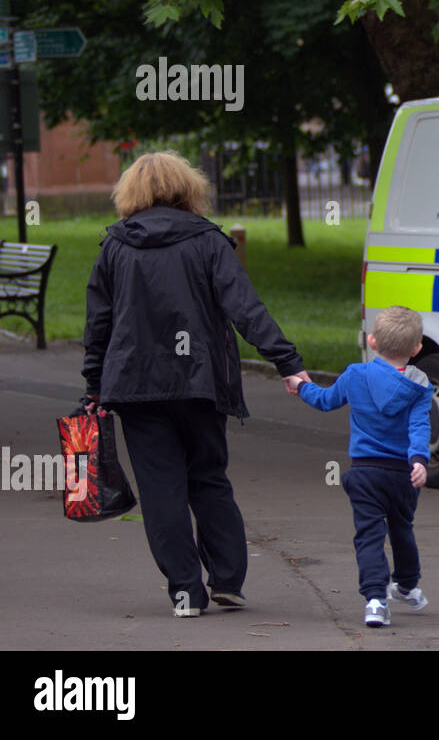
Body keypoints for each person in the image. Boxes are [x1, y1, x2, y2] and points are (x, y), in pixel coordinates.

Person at [82, 150, 310, 618]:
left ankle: (185, 592)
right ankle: (227, 580)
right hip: (200, 382)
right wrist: (287, 362)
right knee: (208, 479)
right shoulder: (209, 241)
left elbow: (98, 323)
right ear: (189, 188)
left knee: (161, 488)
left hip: (135, 386)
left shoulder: (115, 247)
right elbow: (246, 308)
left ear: (130, 192)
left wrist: (94, 384)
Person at [289, 306, 432, 628]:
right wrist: (419, 460)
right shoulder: (420, 386)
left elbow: (324, 401)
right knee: (402, 529)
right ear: (416, 349)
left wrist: (300, 385)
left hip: (365, 471)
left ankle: (375, 601)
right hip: (403, 474)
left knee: (369, 535)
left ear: (371, 341)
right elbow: (420, 427)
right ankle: (407, 585)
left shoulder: (355, 374)